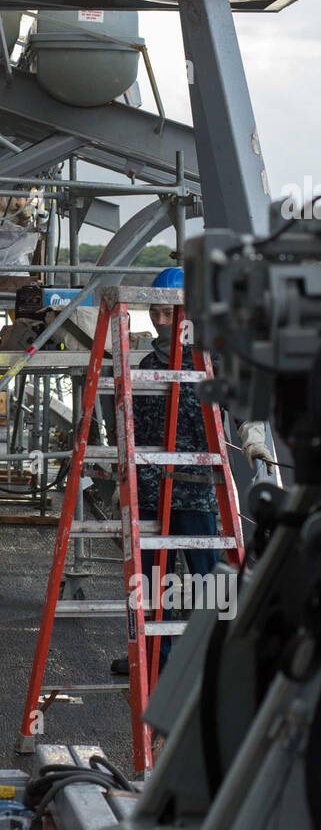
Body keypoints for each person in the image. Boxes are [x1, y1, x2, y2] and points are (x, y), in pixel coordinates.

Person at [110, 267, 274, 677]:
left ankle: (216, 668)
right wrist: (123, 482)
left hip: (199, 494)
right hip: (150, 496)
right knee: (150, 589)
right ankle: (152, 665)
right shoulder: (146, 365)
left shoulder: (213, 361)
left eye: (170, 314)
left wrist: (254, 441)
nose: (162, 322)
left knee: (211, 585)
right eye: (157, 313)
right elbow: (132, 430)